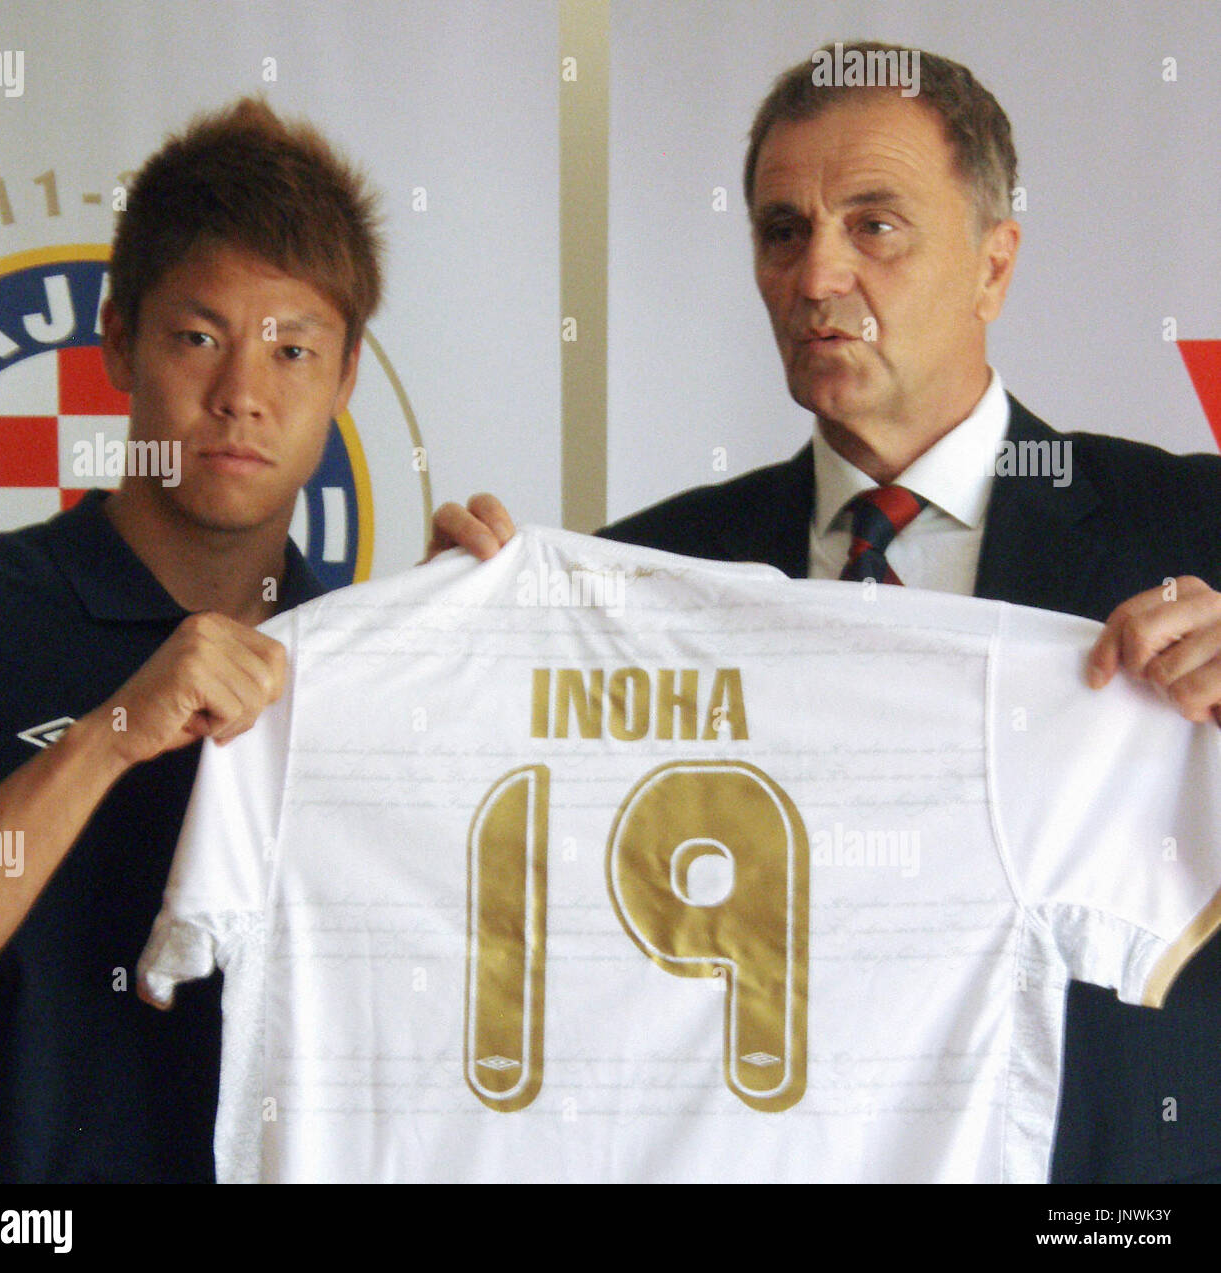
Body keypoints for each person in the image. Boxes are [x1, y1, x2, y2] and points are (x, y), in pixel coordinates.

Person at [430, 42, 1221, 1183]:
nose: (815, 278)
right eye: (781, 231)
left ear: (994, 264)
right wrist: (446, 653)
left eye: (875, 225)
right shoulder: (640, 575)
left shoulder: (1193, 530)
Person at [0, 97, 381, 1181]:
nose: (240, 398)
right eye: (198, 338)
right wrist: (113, 732)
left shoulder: (364, 661)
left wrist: (493, 631)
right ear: (119, 342)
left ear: (346, 378)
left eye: (291, 351)